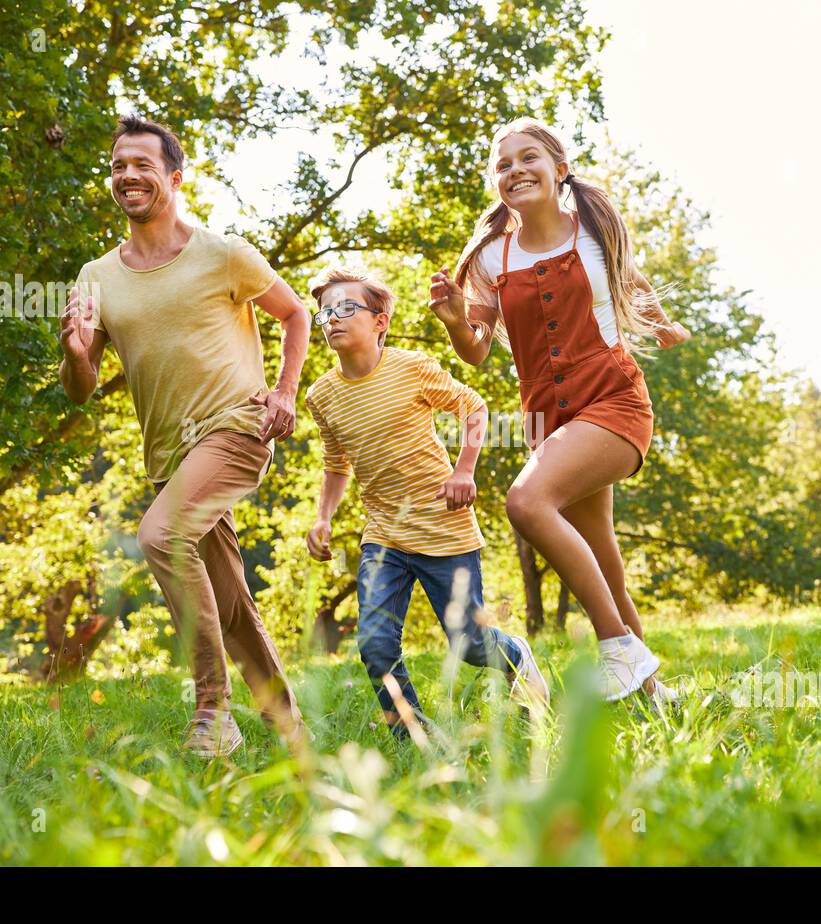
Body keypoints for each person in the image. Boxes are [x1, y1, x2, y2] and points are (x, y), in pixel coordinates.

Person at [58, 114, 310, 755]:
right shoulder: (96, 276)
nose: (127, 176)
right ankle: (292, 735)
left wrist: (284, 393)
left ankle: (211, 711)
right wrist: (78, 354)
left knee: (160, 535)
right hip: (170, 452)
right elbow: (80, 388)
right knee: (228, 604)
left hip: (237, 425)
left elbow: (295, 313)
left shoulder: (221, 252)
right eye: (118, 166)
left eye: (141, 164)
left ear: (173, 176)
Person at [429, 118, 690, 706]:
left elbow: (635, 283)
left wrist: (663, 326)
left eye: (529, 158)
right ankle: (654, 692)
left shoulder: (594, 233)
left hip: (614, 401)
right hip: (547, 421)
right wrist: (453, 320)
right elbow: (474, 349)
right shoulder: (491, 257)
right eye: (503, 164)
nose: (515, 170)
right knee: (602, 560)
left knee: (525, 501)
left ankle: (617, 647)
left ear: (559, 170)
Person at [303, 266, 549, 736]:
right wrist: (322, 518)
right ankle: (413, 735)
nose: (332, 318)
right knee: (375, 645)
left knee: (471, 645)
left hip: (444, 526)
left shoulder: (411, 367)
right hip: (384, 536)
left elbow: (474, 407)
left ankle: (517, 654)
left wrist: (464, 470)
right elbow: (336, 462)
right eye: (325, 311)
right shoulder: (322, 394)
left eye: (346, 307)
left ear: (380, 321)